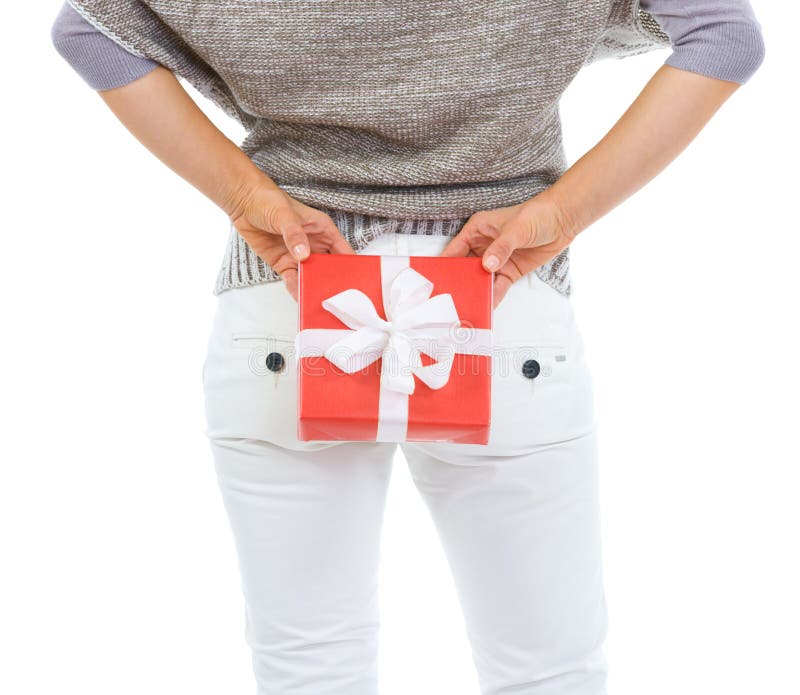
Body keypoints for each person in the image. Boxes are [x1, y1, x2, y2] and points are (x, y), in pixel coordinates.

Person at [51, 2, 765, 693]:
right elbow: (726, 37)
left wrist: (246, 198)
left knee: (309, 664)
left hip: (294, 298)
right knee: (547, 670)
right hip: (499, 298)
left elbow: (87, 30)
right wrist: (560, 212)